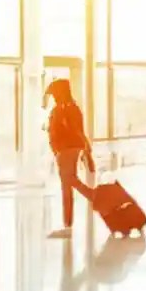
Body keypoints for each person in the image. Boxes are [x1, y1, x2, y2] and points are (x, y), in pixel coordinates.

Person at [46, 79, 95, 239]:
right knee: (68, 183)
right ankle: (68, 225)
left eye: (54, 94)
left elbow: (67, 130)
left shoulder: (64, 108)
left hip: (66, 149)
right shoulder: (72, 108)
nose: (53, 97)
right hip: (68, 149)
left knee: (68, 181)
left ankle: (92, 198)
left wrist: (59, 149)